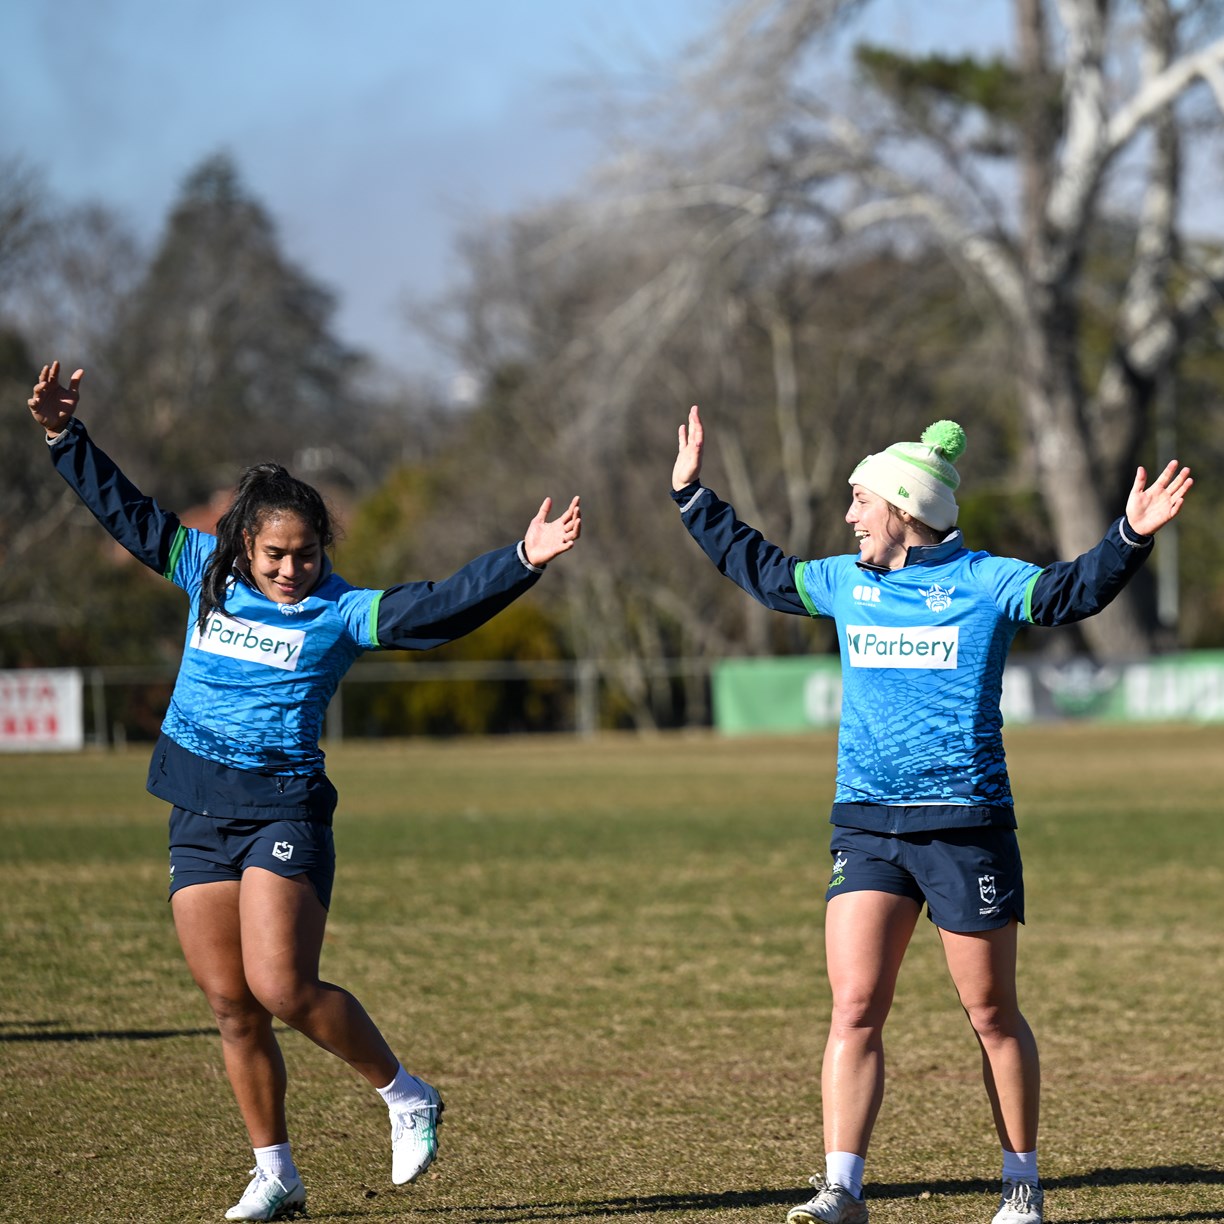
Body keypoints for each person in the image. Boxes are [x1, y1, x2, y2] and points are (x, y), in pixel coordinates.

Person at [28, 361, 581, 1222]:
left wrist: (521, 561)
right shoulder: (201, 566)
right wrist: (67, 438)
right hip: (197, 808)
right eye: (276, 554)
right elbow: (127, 513)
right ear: (243, 544)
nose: (292, 569)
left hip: (283, 811)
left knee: (282, 986)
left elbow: (433, 609)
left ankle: (404, 1094)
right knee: (231, 1006)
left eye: (308, 553)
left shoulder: (340, 610)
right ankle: (276, 1173)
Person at [670, 405, 1191, 1224]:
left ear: (904, 509)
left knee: (989, 1014)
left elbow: (1066, 596)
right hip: (868, 825)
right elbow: (766, 573)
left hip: (964, 826)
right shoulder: (847, 582)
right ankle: (843, 1187)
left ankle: (1021, 1183)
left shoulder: (986, 582)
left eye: (860, 502)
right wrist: (694, 497)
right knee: (853, 1006)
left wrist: (1128, 535)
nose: (848, 517)